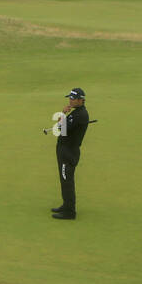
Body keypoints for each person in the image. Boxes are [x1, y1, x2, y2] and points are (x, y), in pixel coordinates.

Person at [51, 88, 89, 219]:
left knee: (67, 180)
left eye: (73, 99)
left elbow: (61, 129)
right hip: (64, 149)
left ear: (81, 100)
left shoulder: (80, 114)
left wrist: (62, 114)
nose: (70, 101)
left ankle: (70, 212)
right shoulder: (76, 113)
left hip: (68, 152)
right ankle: (66, 205)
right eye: (70, 98)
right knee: (64, 179)